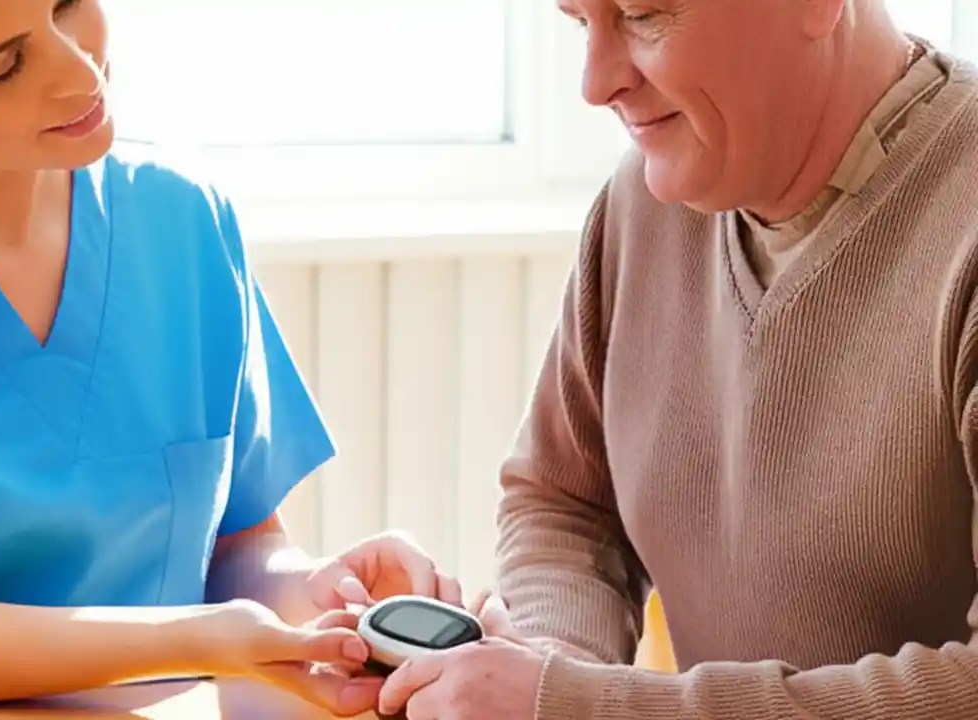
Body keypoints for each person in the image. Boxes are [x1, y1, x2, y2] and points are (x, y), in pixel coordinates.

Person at [0, 0, 462, 713]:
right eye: (4, 66)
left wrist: (322, 601)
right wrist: (198, 639)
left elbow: (238, 549)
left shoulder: (182, 217)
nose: (80, 70)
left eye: (67, 4)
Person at [375, 0, 978, 718]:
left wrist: (585, 706)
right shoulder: (642, 204)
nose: (595, 84)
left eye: (643, 15)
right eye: (580, 22)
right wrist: (554, 657)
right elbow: (564, 500)